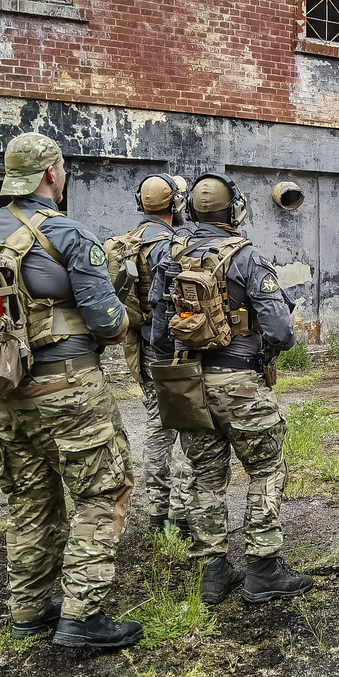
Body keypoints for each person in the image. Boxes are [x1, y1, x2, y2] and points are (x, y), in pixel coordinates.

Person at [0, 133, 142, 650]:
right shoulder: (68, 234)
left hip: (3, 390)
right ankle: (82, 616)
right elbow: (109, 323)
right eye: (63, 167)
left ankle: (28, 608)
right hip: (67, 389)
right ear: (51, 172)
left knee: (30, 497)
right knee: (100, 490)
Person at [146, 173, 313, 605]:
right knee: (266, 469)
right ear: (234, 210)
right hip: (238, 382)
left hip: (186, 384)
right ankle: (262, 569)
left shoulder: (170, 258)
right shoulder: (248, 257)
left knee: (205, 478)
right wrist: (256, 350)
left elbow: (158, 336)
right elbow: (281, 331)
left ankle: (214, 572)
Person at [108, 174, 192, 535]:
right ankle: (181, 516)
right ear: (175, 204)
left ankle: (157, 513)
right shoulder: (173, 246)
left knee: (157, 428)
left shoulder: (127, 243)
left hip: (141, 352)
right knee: (191, 430)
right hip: (174, 352)